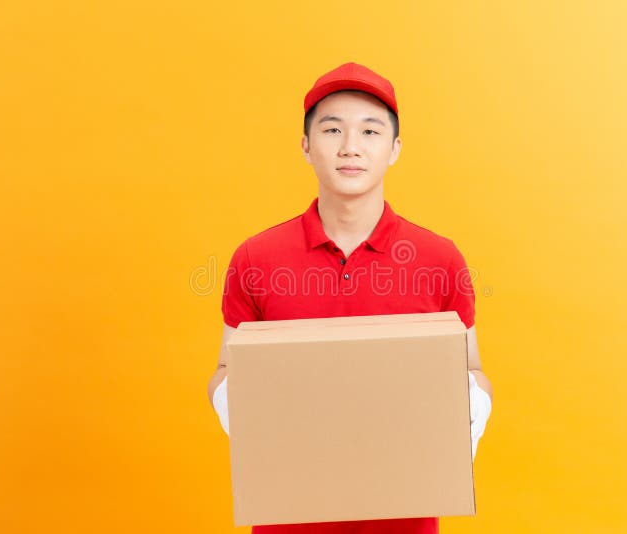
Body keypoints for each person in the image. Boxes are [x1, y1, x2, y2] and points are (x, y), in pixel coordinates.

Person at [207, 62, 493, 534]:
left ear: (395, 148)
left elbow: (473, 370)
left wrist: (467, 409)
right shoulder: (255, 258)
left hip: (405, 515)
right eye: (332, 129)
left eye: (370, 131)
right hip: (289, 513)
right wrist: (242, 410)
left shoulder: (440, 259)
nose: (350, 147)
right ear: (306, 146)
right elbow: (225, 368)